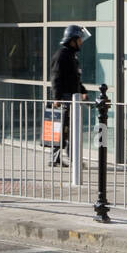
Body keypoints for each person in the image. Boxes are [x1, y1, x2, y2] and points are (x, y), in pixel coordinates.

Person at [50, 24, 90, 166]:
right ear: (72, 40)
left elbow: (75, 79)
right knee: (63, 128)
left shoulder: (72, 56)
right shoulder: (62, 55)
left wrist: (83, 91)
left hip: (73, 97)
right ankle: (56, 159)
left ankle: (74, 159)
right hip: (65, 98)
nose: (81, 42)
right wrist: (57, 98)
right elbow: (56, 78)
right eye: (79, 39)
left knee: (72, 130)